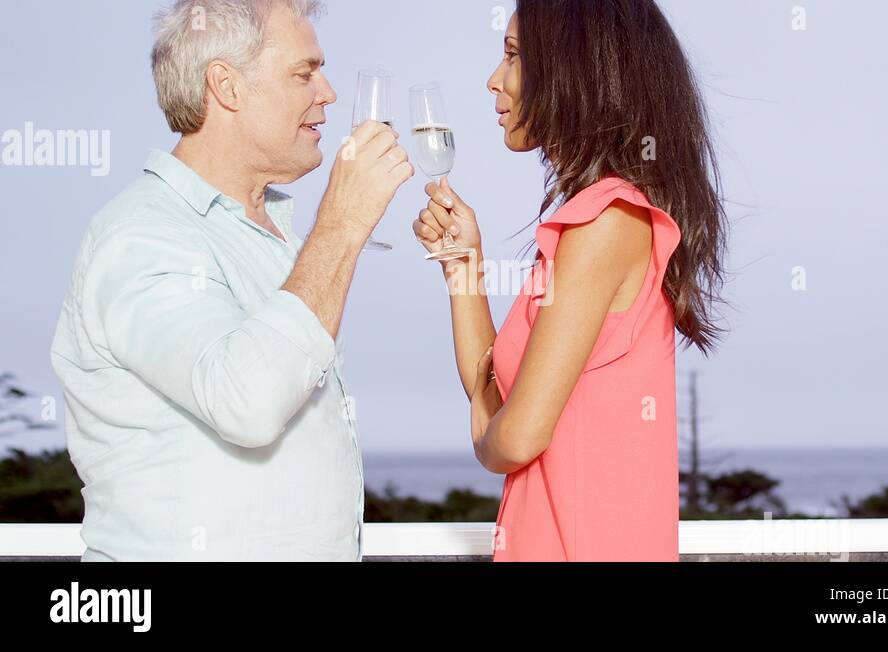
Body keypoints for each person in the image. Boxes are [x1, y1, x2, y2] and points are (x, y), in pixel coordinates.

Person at [49, 0, 413, 561]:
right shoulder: (141, 233)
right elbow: (247, 402)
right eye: (304, 72)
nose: (329, 93)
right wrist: (341, 226)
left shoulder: (273, 235)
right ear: (227, 86)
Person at [413, 0, 729, 561]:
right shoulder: (590, 220)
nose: (494, 80)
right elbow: (493, 387)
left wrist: (487, 438)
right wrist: (463, 266)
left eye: (513, 56)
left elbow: (517, 434)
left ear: (572, 70)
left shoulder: (608, 221)